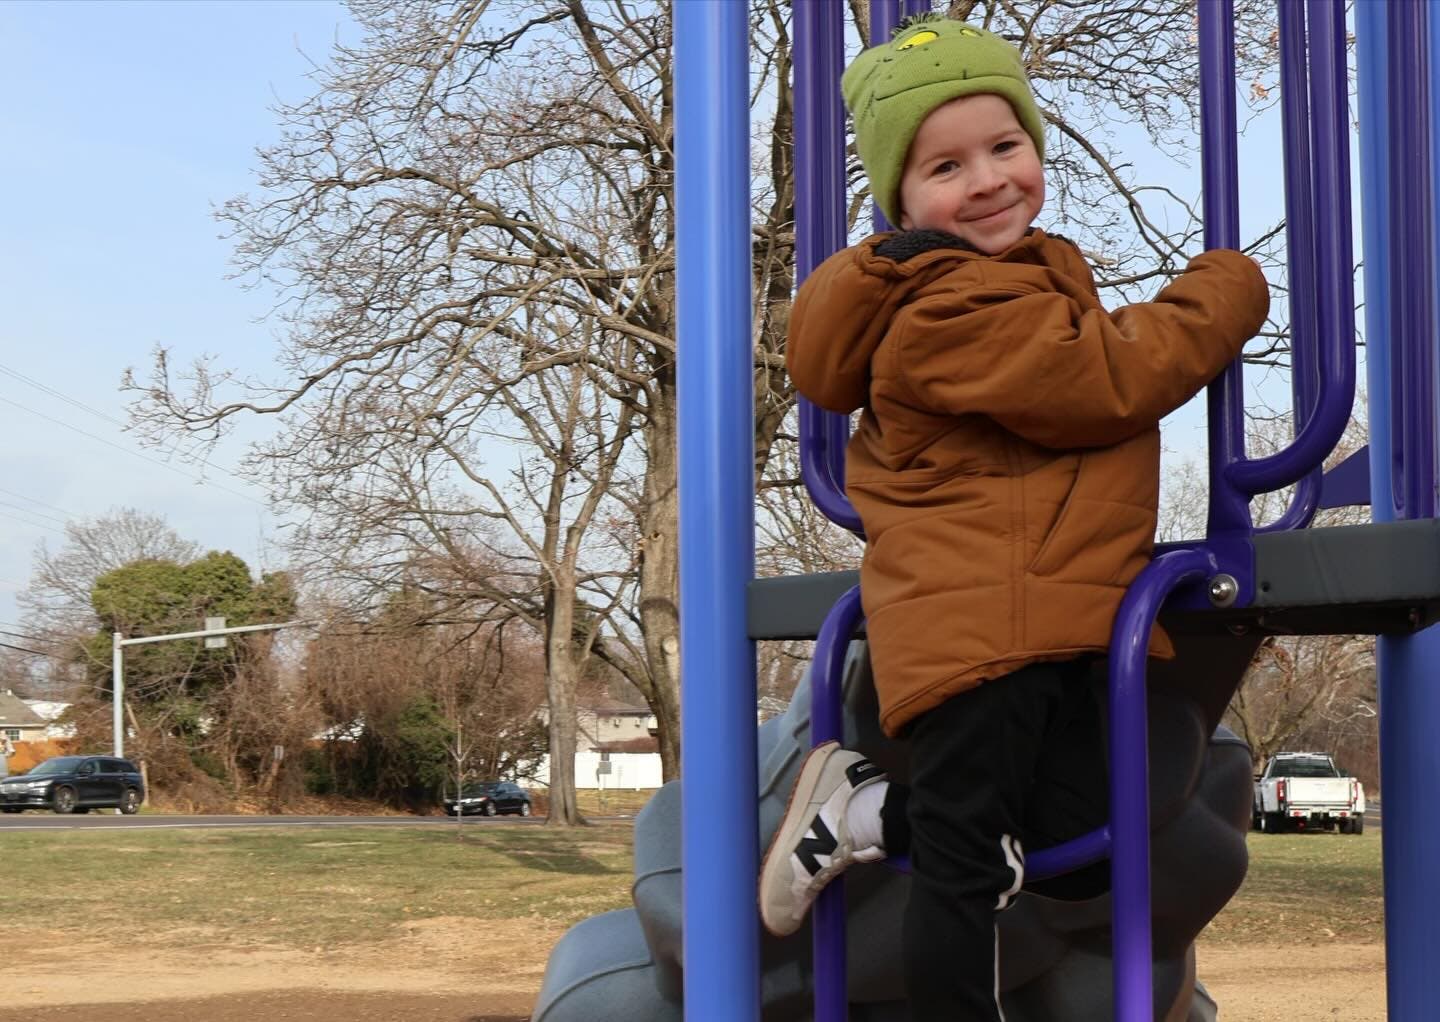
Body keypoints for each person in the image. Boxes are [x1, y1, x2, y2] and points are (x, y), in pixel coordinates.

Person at [759, 14, 1270, 1020]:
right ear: (902, 200)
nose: (988, 178)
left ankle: (859, 806)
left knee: (1079, 842)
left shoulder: (1015, 277)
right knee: (964, 873)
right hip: (978, 625)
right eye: (946, 166)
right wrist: (1224, 290)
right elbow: (1105, 377)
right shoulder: (942, 304)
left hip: (1047, 616)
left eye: (1006, 145)